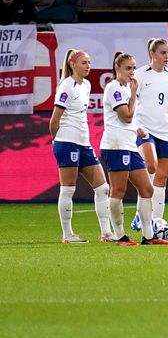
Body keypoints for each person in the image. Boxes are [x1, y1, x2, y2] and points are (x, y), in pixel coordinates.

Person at [99, 52, 164, 245]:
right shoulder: (114, 88)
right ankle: (119, 236)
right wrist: (134, 93)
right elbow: (126, 116)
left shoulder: (125, 89)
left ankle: (148, 236)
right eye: (128, 68)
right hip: (115, 145)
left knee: (147, 188)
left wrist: (137, 128)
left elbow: (130, 120)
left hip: (129, 145)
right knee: (118, 190)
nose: (132, 72)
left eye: (134, 68)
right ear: (117, 68)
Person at [49, 49, 113, 243]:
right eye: (84, 62)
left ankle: (106, 233)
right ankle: (68, 234)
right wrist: (57, 141)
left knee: (102, 188)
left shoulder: (86, 85)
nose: (88, 66)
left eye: (89, 62)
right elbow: (54, 120)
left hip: (84, 144)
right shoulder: (66, 86)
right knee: (68, 189)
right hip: (67, 142)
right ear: (72, 64)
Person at [132, 38, 168, 237]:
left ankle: (156, 224)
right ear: (152, 53)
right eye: (163, 52)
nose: (167, 56)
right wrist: (136, 126)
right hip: (145, 130)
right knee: (151, 167)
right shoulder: (140, 75)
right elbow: (131, 103)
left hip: (166, 132)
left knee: (161, 180)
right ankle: (142, 213)